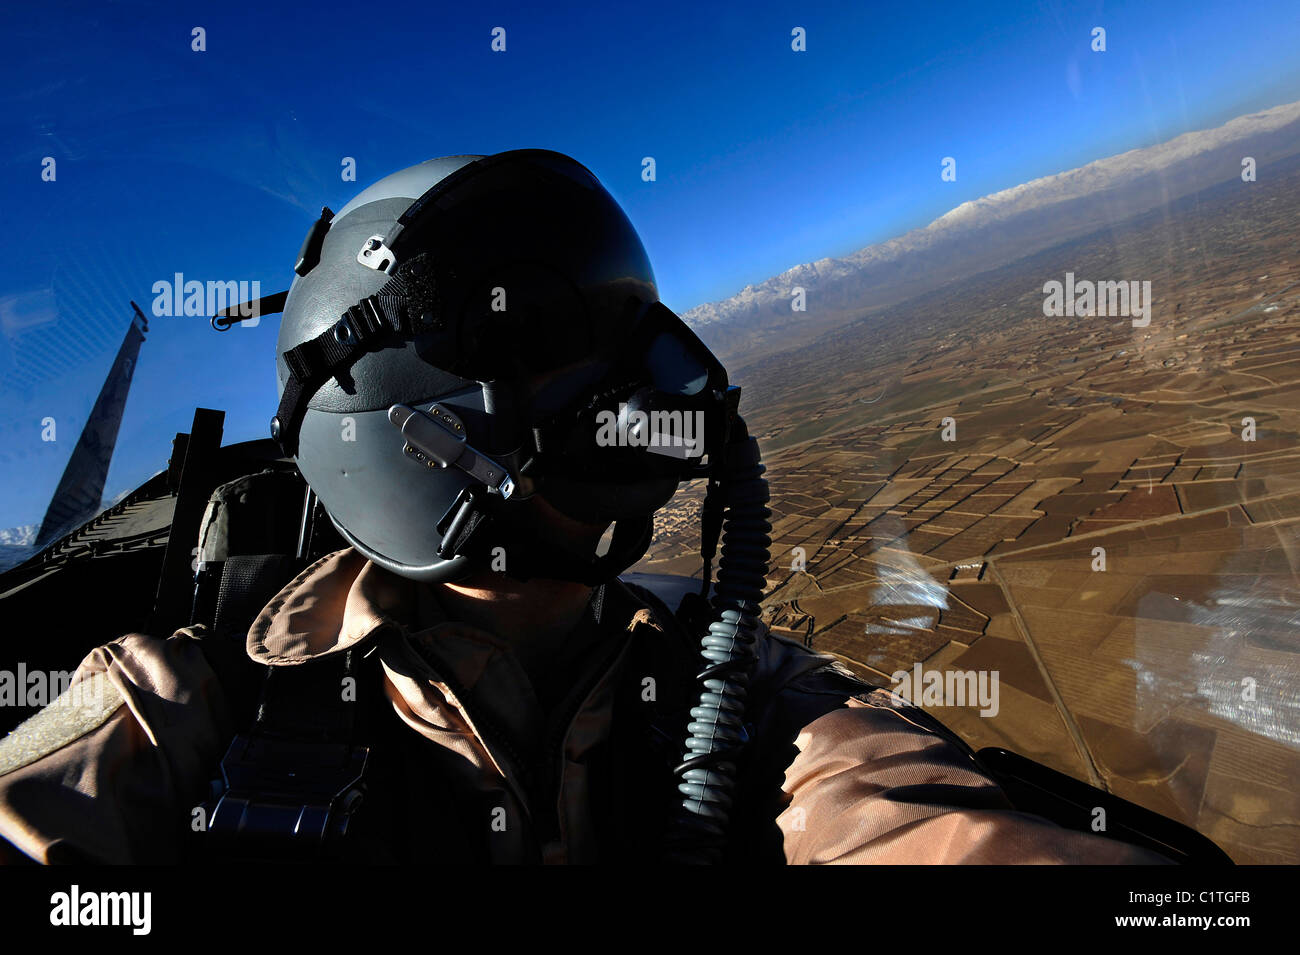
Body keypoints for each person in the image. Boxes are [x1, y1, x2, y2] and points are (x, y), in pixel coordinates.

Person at [0, 151, 1173, 865]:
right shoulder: (177, 707)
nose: (651, 376)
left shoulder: (739, 679)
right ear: (410, 427)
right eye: (549, 331)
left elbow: (905, 823)